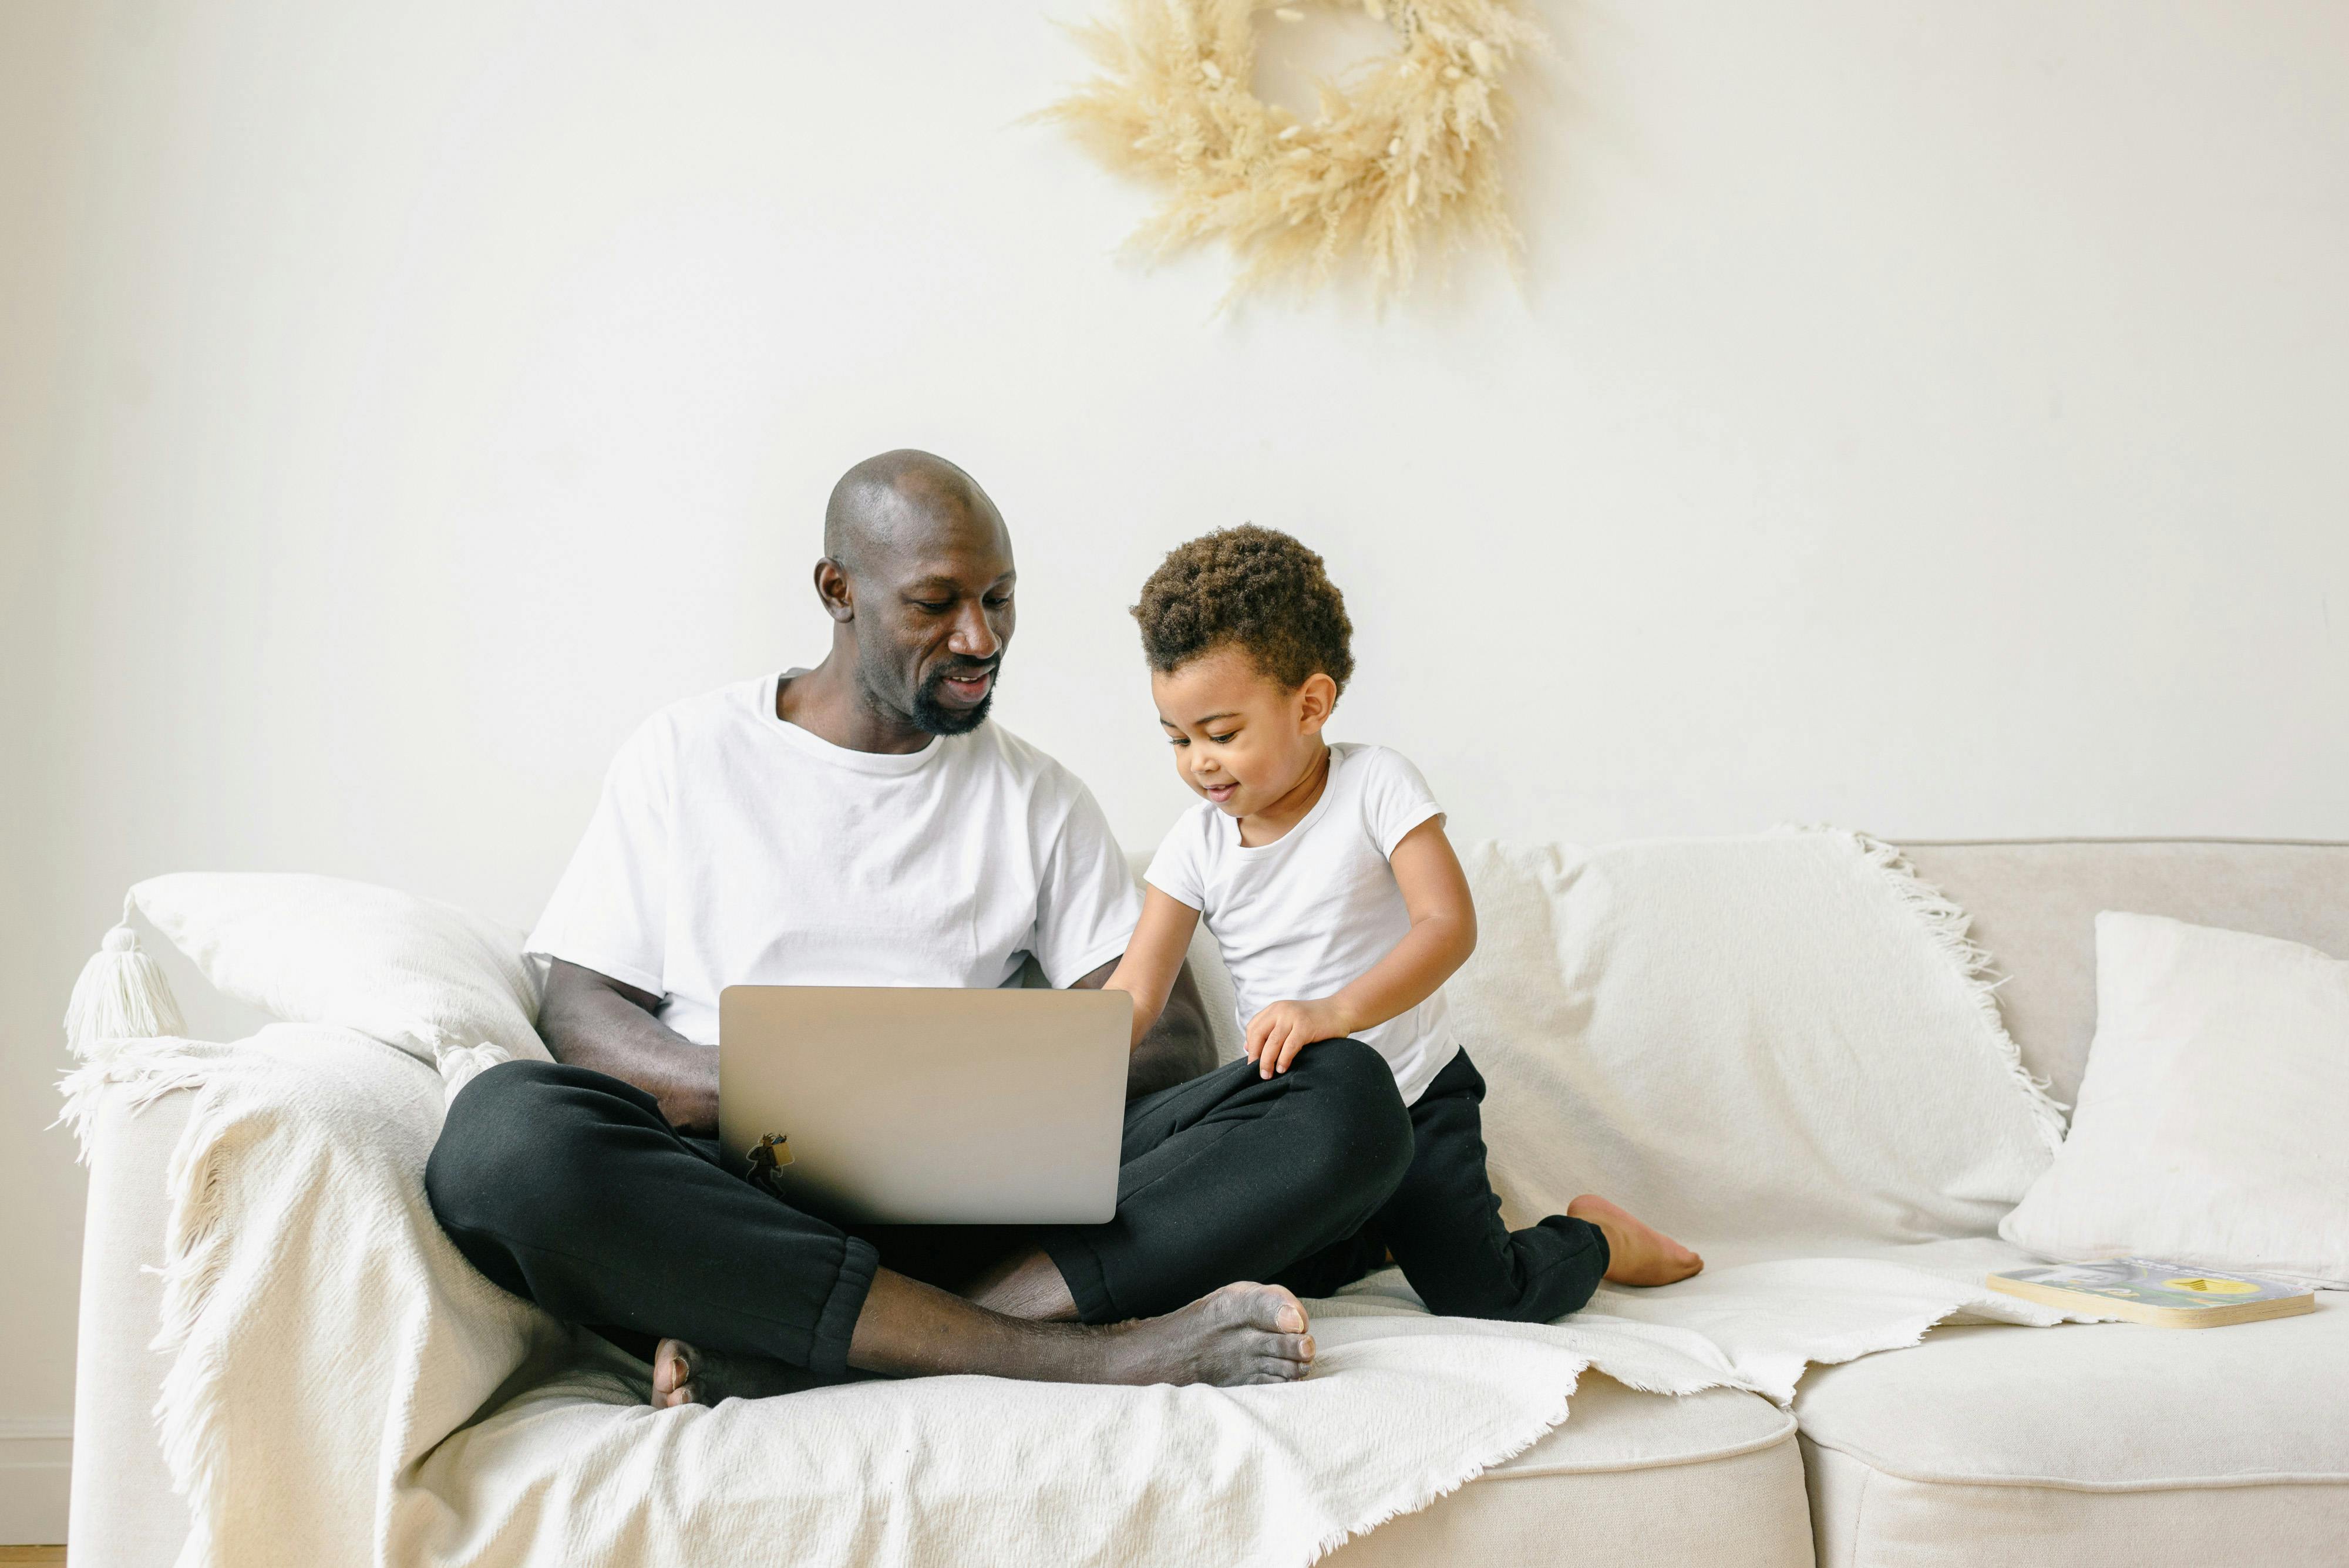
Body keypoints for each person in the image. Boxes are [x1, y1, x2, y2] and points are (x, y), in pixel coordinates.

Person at [425, 454, 1416, 1404]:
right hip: (740, 1205)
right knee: (502, 1141)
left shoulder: (1039, 797)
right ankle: (1069, 1358)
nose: (981, 638)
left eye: (1001, 599)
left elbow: (1171, 1043)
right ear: (838, 589)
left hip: (982, 1221)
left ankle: (872, 1350)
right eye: (937, 603)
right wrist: (778, 1096)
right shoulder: (686, 755)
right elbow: (582, 1008)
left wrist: (970, 1099)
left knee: (1346, 1096)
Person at [1105, 525, 1702, 1323]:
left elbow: (1447, 924)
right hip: (1299, 1123)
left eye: (1221, 734)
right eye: (1177, 739)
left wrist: (1334, 1013)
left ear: (1311, 704)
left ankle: (1594, 1235)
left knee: (1490, 1294)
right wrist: (1052, 1052)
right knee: (1269, 1269)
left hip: (1416, 1098)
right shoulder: (1195, 843)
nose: (1198, 762)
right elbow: (1135, 991)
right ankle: (1382, 1233)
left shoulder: (1375, 786)